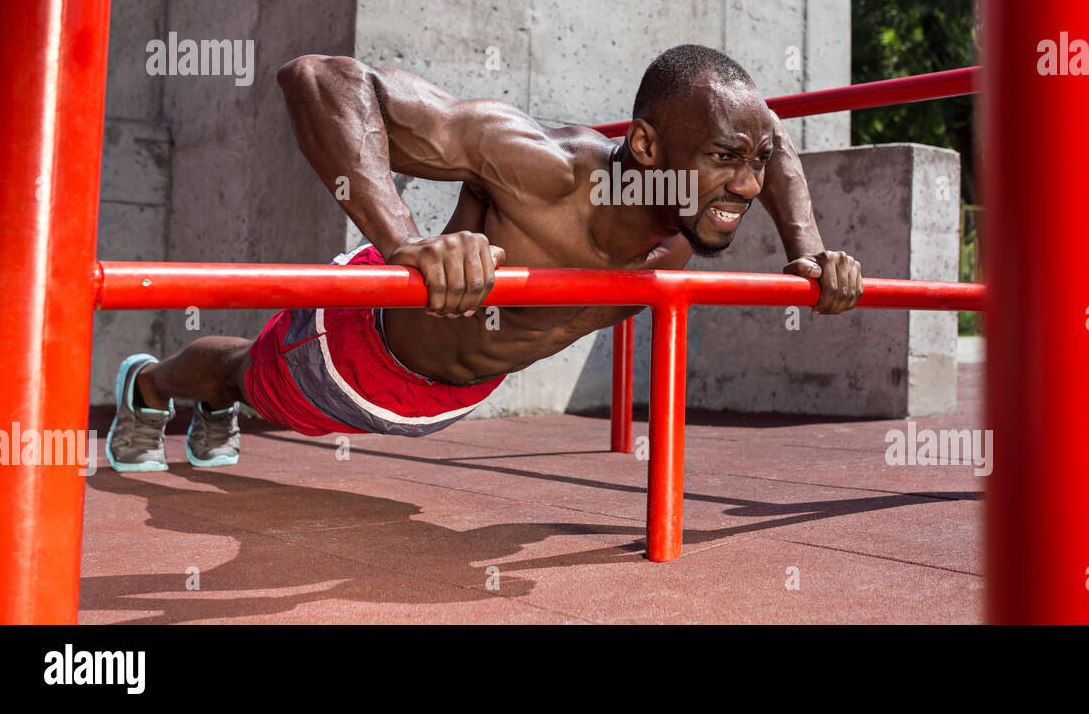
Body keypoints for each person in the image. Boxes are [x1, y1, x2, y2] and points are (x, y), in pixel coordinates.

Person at [105, 44, 864, 470]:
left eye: (753, 161)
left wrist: (809, 251)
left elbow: (776, 143)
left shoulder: (680, 238)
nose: (748, 180)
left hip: (450, 399)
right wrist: (407, 242)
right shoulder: (542, 169)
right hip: (358, 345)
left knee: (249, 389)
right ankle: (150, 390)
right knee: (246, 377)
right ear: (646, 145)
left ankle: (211, 403)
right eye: (725, 157)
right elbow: (318, 77)